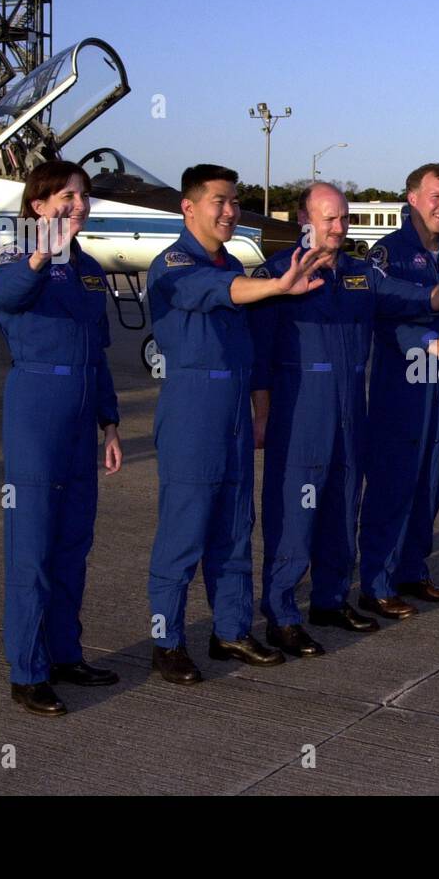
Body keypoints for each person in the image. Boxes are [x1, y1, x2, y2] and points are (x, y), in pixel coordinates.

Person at [250, 182, 439, 658]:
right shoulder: (277, 275)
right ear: (304, 221)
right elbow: (260, 359)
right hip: (301, 409)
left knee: (343, 504)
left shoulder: (360, 274)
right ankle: (282, 613)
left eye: (344, 218)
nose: (339, 227)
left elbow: (414, 301)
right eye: (329, 218)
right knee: (294, 513)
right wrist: (263, 417)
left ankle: (331, 600)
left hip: (351, 406)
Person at [146, 164, 333, 685]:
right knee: (184, 532)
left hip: (231, 408)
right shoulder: (174, 263)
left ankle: (230, 630)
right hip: (192, 407)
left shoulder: (230, 262)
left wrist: (260, 410)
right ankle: (166, 640)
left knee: (234, 527)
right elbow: (215, 291)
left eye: (234, 202)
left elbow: (250, 350)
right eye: (220, 202)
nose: (231, 211)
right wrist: (276, 285)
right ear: (189, 207)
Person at [0, 160, 123, 717]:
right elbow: (6, 295)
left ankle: (66, 653)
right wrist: (42, 251)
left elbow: (99, 351)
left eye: (84, 196)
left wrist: (111, 422)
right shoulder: (14, 252)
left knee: (73, 544)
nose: (78, 204)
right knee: (33, 548)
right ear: (38, 204)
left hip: (82, 410)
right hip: (37, 407)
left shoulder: (90, 268)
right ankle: (28, 671)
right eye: (66, 195)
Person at [358, 164, 439, 619]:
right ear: (411, 199)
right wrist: (432, 344)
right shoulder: (386, 254)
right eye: (434, 196)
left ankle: (412, 570)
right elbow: (386, 320)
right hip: (400, 387)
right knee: (392, 484)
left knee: (430, 483)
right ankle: (376, 582)